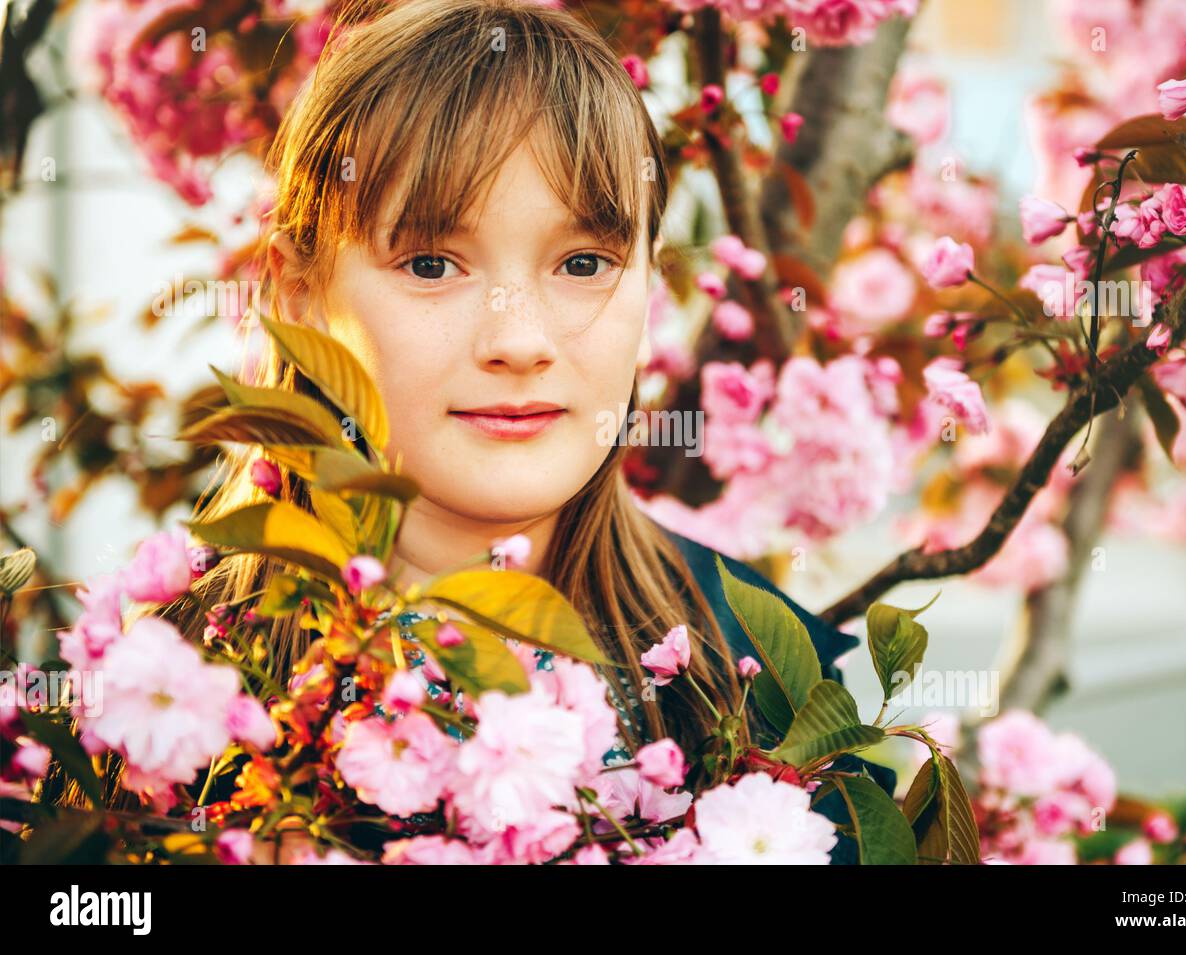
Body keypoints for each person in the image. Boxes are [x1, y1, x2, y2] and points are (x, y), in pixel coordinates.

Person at [50, 0, 894, 863]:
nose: (517, 340)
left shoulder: (764, 680)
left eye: (583, 264)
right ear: (299, 291)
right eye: (430, 264)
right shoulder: (163, 702)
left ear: (650, 282)